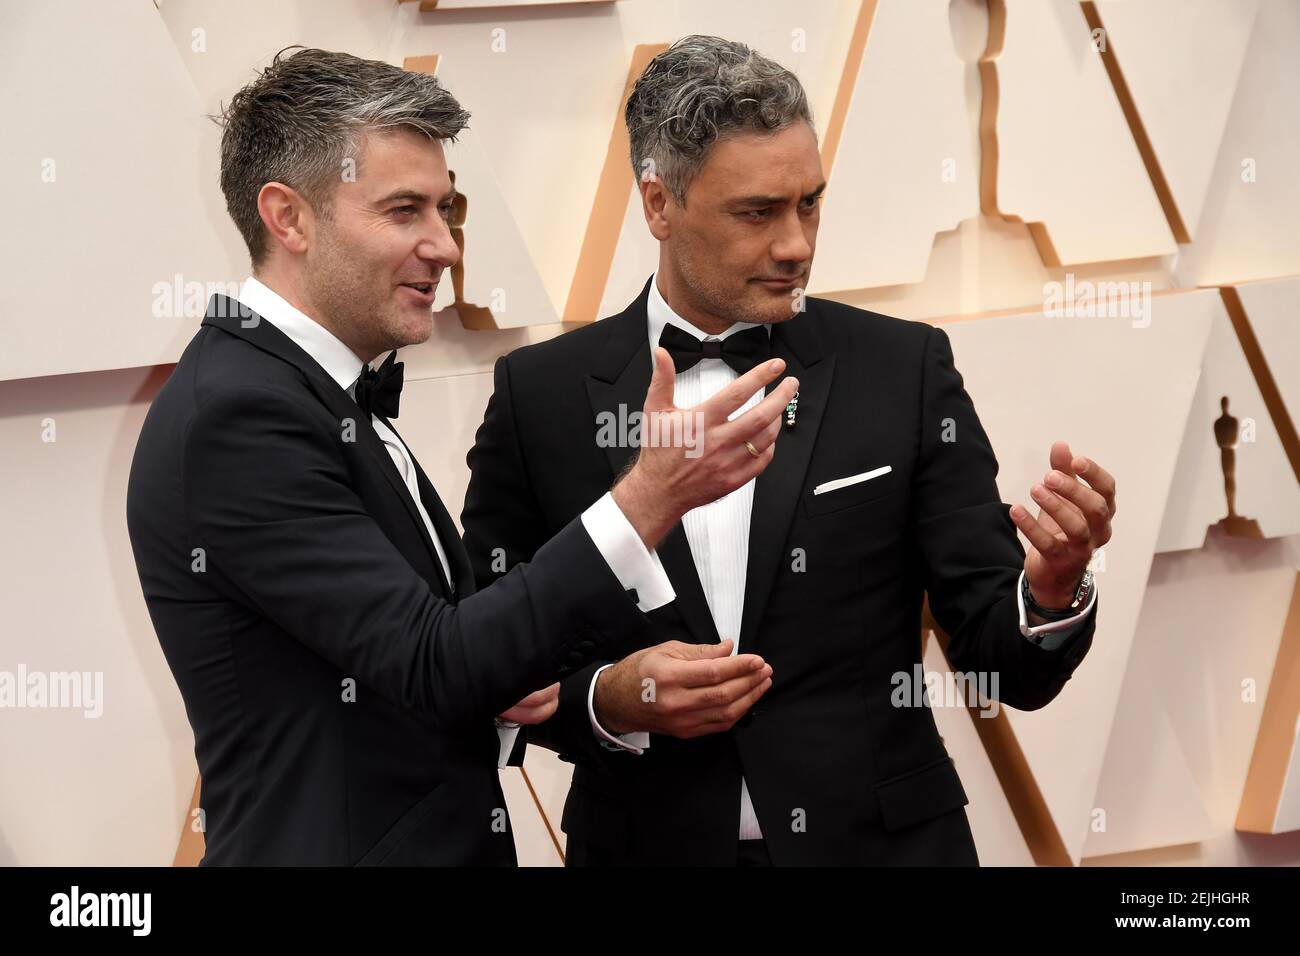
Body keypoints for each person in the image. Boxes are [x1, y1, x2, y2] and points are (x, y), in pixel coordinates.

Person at [125, 47, 796, 865]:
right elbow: (436, 663)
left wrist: (544, 687)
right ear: (287, 217)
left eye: (447, 210)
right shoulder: (239, 414)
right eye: (404, 210)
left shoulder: (316, 392)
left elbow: (442, 651)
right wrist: (648, 499)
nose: (444, 246)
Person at [462, 35, 1115, 865]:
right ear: (659, 205)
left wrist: (1051, 590)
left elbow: (1003, 663)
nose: (797, 244)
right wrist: (609, 699)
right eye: (758, 212)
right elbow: (477, 653)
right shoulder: (539, 396)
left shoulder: (904, 369)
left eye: (809, 203)